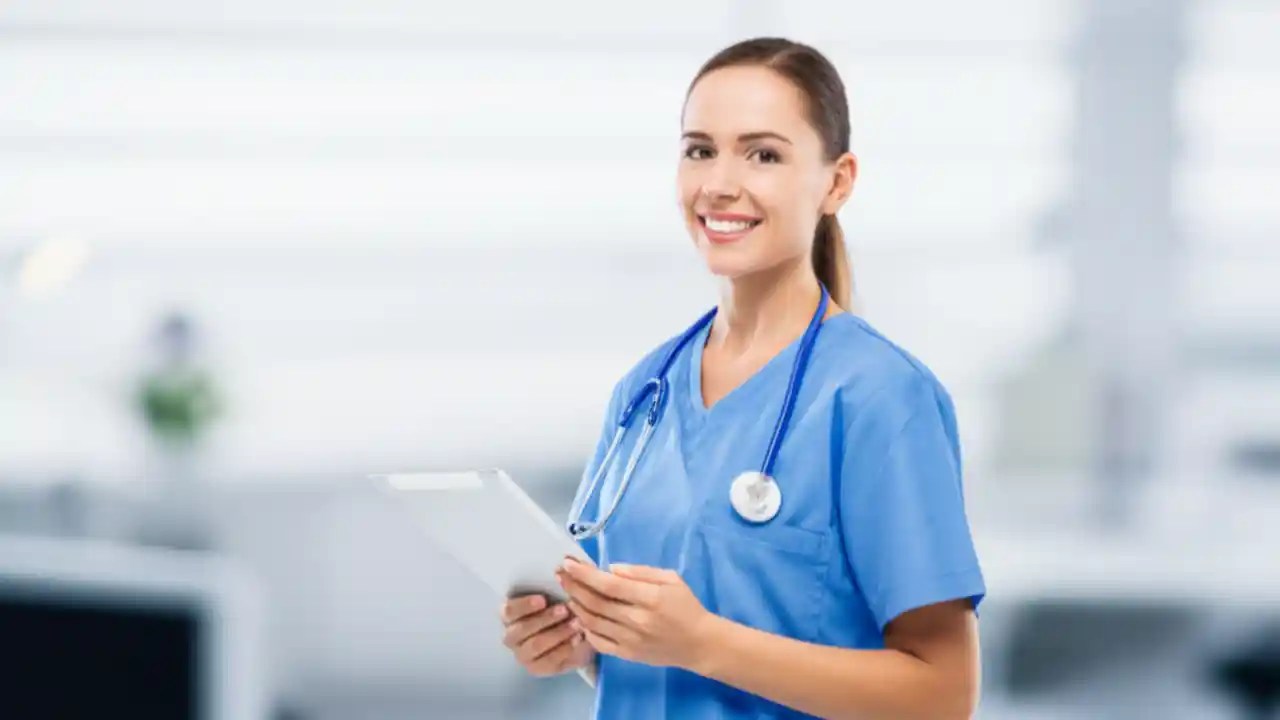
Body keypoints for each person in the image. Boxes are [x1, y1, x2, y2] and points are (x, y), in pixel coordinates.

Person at [499, 37, 985, 719]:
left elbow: (942, 696)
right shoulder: (645, 392)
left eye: (763, 154)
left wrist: (703, 642)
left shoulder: (881, 397)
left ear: (837, 182)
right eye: (700, 149)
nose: (719, 182)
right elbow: (654, 656)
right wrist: (581, 646)